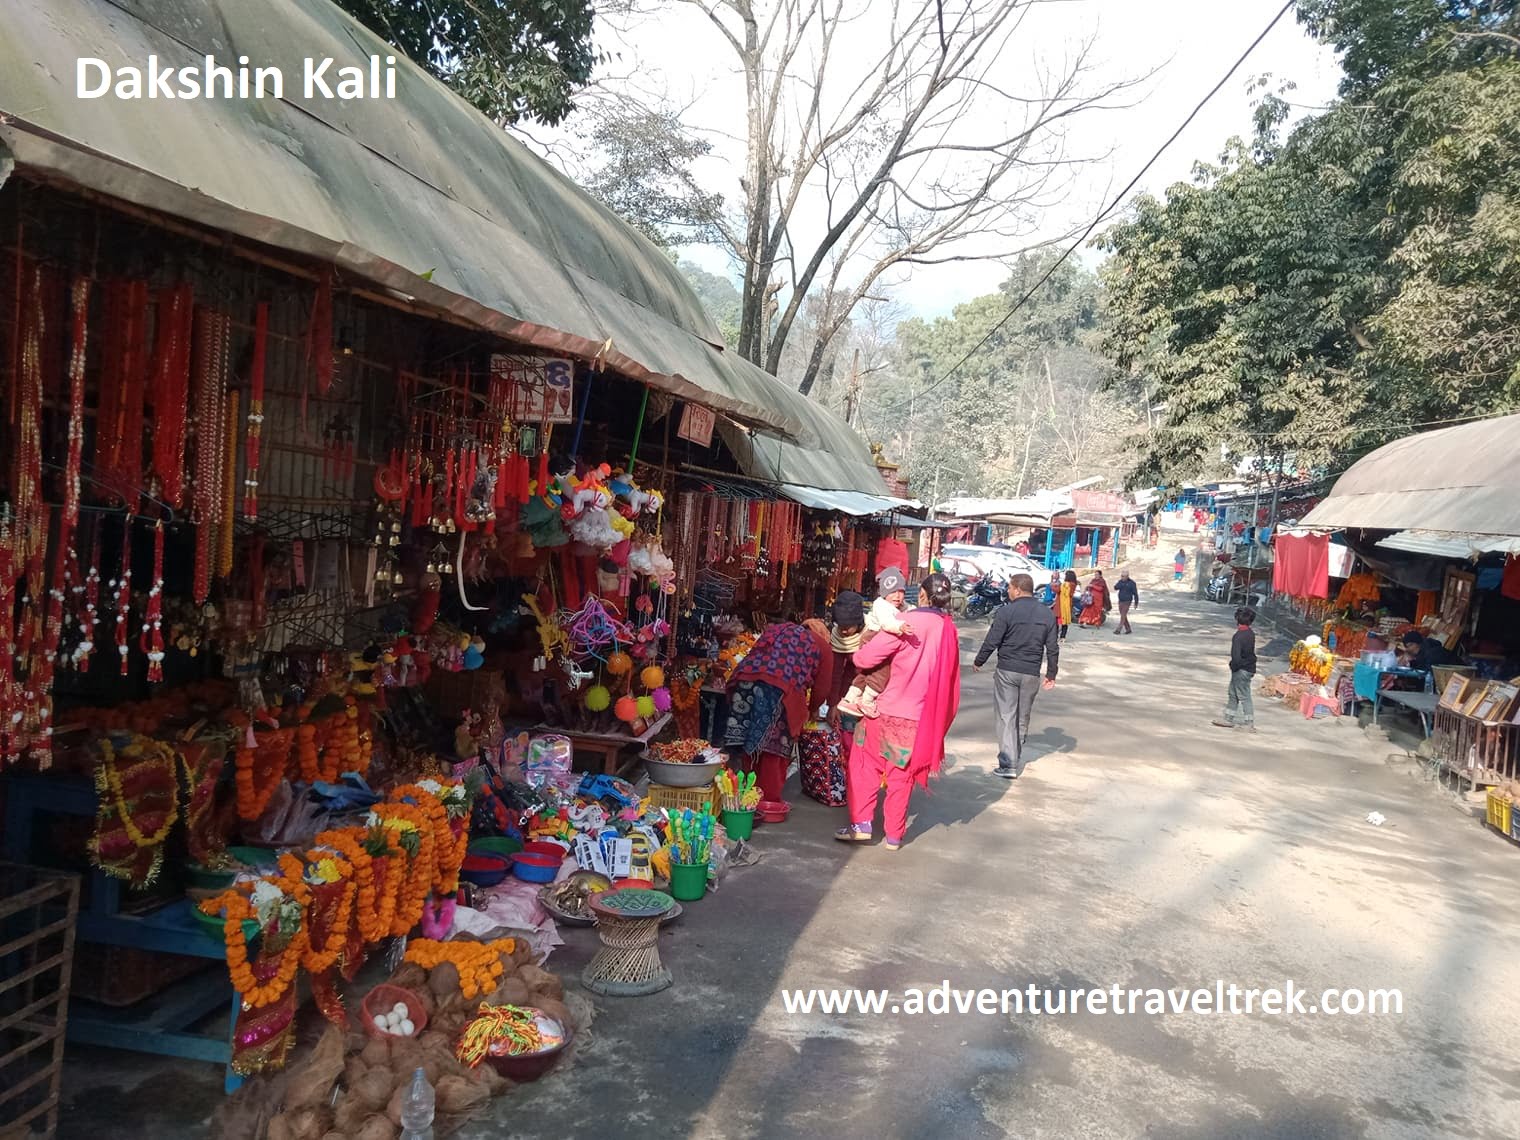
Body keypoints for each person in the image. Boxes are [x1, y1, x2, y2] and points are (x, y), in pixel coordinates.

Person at [835, 573, 961, 850]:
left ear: (924, 596)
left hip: (883, 710)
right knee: (900, 774)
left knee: (864, 765)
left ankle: (861, 824)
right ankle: (894, 835)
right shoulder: (948, 629)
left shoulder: (907, 623)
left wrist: (861, 652)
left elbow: (864, 658)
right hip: (918, 717)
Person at [724, 619, 833, 807]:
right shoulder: (822, 645)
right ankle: (768, 800)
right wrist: (813, 709)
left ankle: (746, 796)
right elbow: (822, 688)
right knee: (775, 748)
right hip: (780, 691)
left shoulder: (778, 629)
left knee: (751, 741)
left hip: (744, 683)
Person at [973, 573, 1058, 779]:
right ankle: (1014, 758)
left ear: (1018, 589)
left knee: (1006, 716)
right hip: (1031, 672)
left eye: (1010, 588)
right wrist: (1051, 673)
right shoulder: (1046, 614)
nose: (1008, 591)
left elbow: (992, 639)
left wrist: (979, 660)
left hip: (1008, 670)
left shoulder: (1006, 612)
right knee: (1022, 716)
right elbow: (1053, 647)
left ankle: (1008, 763)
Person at [837, 567, 909, 718]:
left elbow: (909, 610)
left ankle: (851, 696)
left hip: (872, 638)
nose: (897, 596)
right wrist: (900, 626)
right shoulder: (881, 605)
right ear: (883, 593)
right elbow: (886, 622)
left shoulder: (899, 606)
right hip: (874, 638)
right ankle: (868, 700)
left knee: (866, 673)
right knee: (882, 671)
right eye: (892, 591)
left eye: (901, 591)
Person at [1212, 606, 1257, 732]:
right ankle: (1228, 718)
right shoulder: (1250, 633)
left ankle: (1249, 723)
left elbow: (1236, 657)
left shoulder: (1238, 636)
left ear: (1237, 619)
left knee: (1244, 696)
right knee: (1233, 694)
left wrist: (1233, 666)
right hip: (1248, 668)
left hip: (1241, 670)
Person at [1051, 570, 1077, 640]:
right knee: (1064, 622)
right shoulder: (1073, 584)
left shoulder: (1065, 584)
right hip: (1067, 605)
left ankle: (1055, 636)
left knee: (1056, 621)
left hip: (1060, 604)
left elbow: (1057, 590)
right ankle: (1063, 636)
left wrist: (1053, 583)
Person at [1114, 570, 1139, 635]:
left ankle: (1118, 629)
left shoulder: (1132, 583)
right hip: (1121, 600)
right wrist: (1120, 584)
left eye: (1124, 576)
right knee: (1123, 615)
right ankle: (1128, 629)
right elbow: (1115, 587)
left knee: (1123, 615)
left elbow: (1135, 594)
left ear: (1127, 576)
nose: (1122, 577)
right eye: (1121, 576)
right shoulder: (1120, 582)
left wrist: (1136, 603)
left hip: (1127, 601)